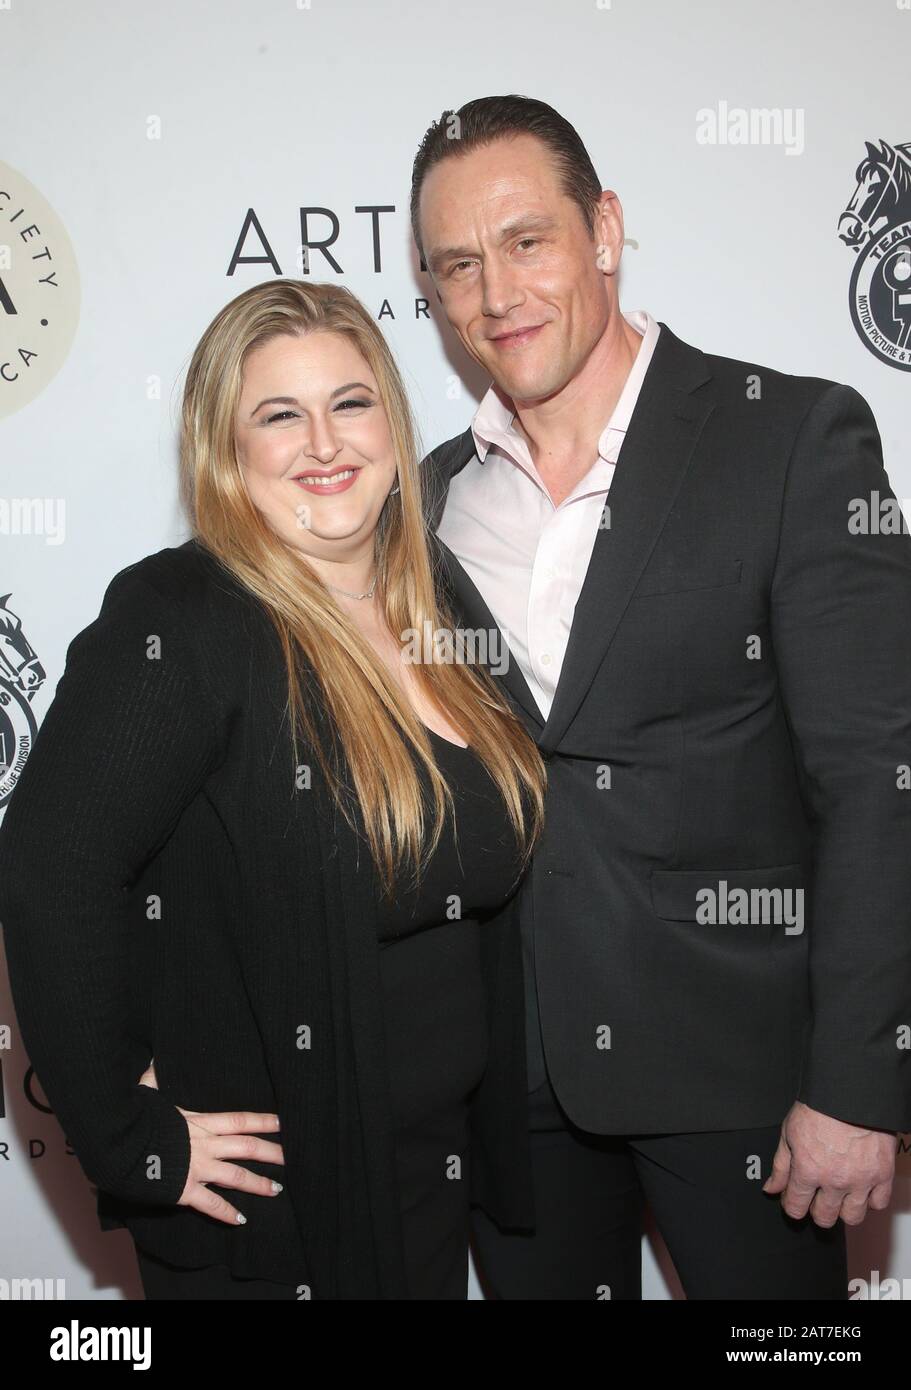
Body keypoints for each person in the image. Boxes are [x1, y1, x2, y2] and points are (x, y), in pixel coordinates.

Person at [410, 94, 911, 1299]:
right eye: (455, 265)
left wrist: (856, 1082)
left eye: (526, 240)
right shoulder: (425, 501)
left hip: (747, 1081)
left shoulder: (788, 437)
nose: (496, 294)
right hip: (514, 1084)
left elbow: (876, 782)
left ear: (605, 229)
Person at [0, 279, 547, 1300]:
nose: (323, 442)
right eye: (277, 414)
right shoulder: (182, 621)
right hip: (277, 1211)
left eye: (349, 401)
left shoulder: (434, 593)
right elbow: (50, 868)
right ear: (223, 446)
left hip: (425, 1179)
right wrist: (128, 1134)